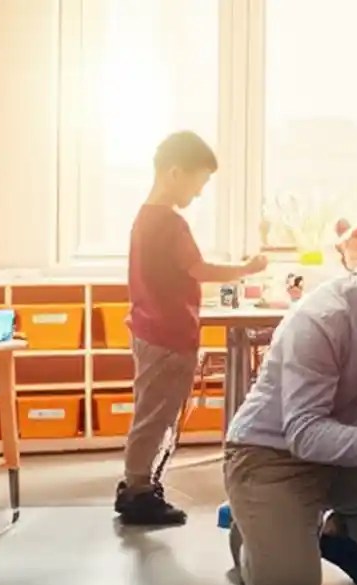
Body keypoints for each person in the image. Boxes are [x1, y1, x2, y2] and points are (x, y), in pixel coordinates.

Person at [116, 130, 268, 527]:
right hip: (166, 336)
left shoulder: (144, 218)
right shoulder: (169, 223)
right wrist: (246, 269)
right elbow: (200, 270)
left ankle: (139, 483)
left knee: (151, 411)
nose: (199, 192)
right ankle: (137, 490)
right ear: (174, 173)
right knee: (154, 415)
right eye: (199, 181)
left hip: (152, 330)